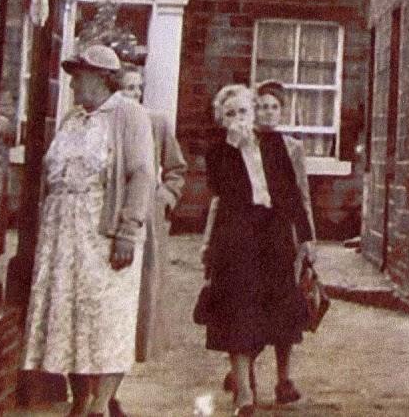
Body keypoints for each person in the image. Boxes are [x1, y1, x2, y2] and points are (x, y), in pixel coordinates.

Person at [22, 42, 155, 417]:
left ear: (99, 77)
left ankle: (99, 403)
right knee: (72, 319)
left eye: (78, 77)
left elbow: (142, 174)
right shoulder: (72, 119)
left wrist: (128, 231)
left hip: (104, 232)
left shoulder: (128, 115)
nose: (72, 85)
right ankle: (79, 401)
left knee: (108, 319)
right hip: (64, 235)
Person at [202, 84, 315, 414]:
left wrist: (306, 238)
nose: (238, 119)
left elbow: (292, 194)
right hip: (237, 239)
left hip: (274, 238)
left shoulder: (276, 145)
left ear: (253, 114)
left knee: (277, 311)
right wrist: (233, 149)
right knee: (237, 312)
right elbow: (222, 191)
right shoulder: (218, 152)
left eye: (243, 112)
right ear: (221, 120)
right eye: (230, 114)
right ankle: (243, 392)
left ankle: (279, 380)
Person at [113, 63, 187, 417]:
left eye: (137, 90)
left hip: (146, 225)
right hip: (110, 221)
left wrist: (163, 198)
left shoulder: (155, 123)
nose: (133, 96)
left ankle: (113, 388)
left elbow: (175, 170)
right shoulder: (105, 124)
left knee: (138, 304)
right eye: (127, 89)